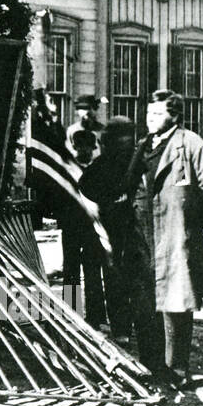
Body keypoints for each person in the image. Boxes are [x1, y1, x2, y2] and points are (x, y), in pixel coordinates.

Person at [124, 89, 203, 385]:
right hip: (143, 233)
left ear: (174, 116)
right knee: (145, 299)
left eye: (157, 114)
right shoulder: (142, 145)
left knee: (176, 300)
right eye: (148, 113)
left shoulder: (191, 144)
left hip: (175, 232)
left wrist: (186, 212)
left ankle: (177, 367)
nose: (150, 119)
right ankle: (151, 363)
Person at [78, 116, 137, 340]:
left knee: (107, 276)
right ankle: (103, 322)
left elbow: (84, 186)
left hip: (103, 227)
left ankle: (98, 320)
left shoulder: (106, 163)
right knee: (106, 276)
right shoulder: (123, 162)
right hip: (99, 227)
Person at [66, 94, 106, 161]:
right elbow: (69, 152)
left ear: (95, 110)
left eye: (89, 108)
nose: (86, 113)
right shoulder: (71, 130)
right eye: (82, 109)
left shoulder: (102, 130)